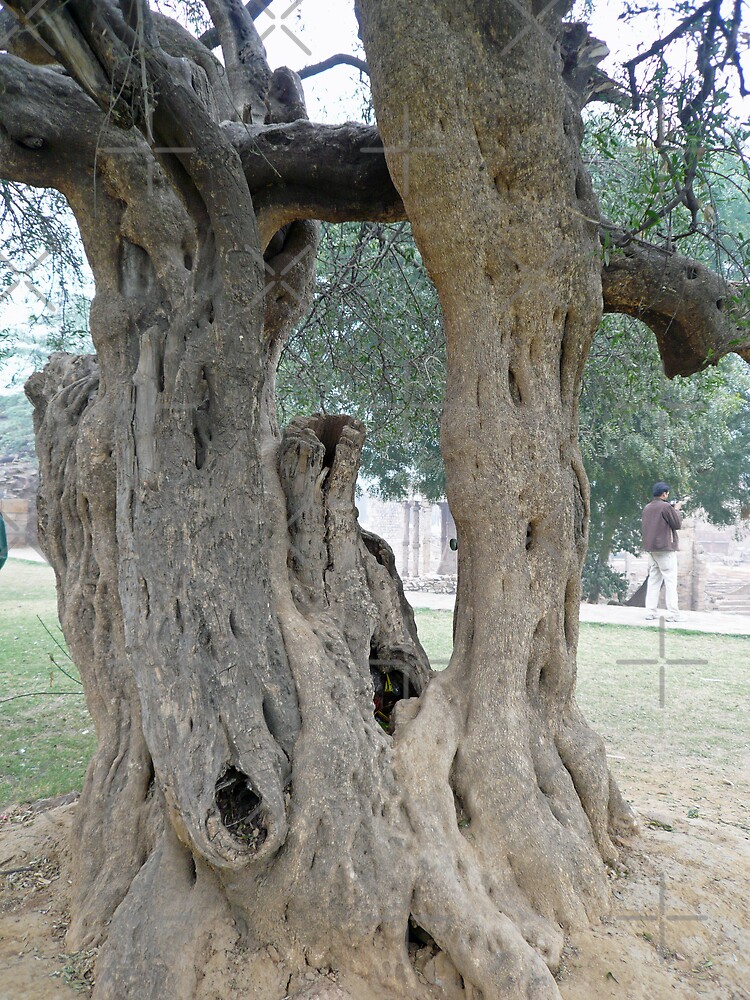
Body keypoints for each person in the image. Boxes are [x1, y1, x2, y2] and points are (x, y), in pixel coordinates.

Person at [641, 481, 683, 622]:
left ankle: (650, 611)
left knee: (654, 581)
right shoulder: (666, 507)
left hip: (651, 549)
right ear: (665, 494)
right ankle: (673, 613)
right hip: (665, 549)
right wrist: (676, 509)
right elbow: (677, 524)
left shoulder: (647, 507)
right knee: (670, 581)